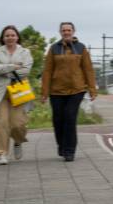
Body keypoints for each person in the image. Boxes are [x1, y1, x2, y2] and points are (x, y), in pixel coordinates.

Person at [39, 21, 96, 162]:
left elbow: (88, 69)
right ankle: (61, 146)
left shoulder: (81, 48)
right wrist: (45, 92)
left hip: (76, 90)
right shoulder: (54, 49)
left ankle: (70, 151)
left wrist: (92, 89)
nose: (66, 32)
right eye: (64, 30)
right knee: (58, 120)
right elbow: (47, 71)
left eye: (69, 30)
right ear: (60, 32)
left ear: (73, 31)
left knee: (70, 118)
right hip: (56, 91)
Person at [0, 25, 34, 165]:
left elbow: (25, 71)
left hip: (18, 91)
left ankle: (18, 141)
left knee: (18, 124)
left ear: (17, 37)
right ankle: (2, 153)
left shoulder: (25, 52)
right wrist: (13, 66)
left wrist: (4, 69)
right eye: (7, 35)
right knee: (1, 122)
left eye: (12, 35)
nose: (10, 37)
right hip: (0, 93)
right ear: (3, 38)